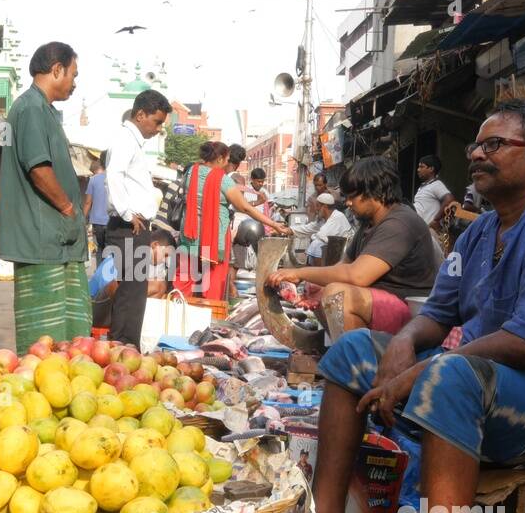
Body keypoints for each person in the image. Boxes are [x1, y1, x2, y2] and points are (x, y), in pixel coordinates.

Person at [261, 100, 525, 513]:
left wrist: (421, 370)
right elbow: (438, 314)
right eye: (476, 146)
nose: (476, 155)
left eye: (495, 144)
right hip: (501, 387)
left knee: (450, 375)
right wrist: (405, 343)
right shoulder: (483, 231)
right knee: (352, 351)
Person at [268, 156, 438, 339]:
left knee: (338, 294)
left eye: (352, 197)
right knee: (316, 286)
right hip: (382, 302)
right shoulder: (369, 223)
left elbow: (357, 276)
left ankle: (362, 362)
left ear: (375, 193)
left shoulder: (400, 223)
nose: (348, 203)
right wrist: (314, 283)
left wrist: (299, 273)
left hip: (410, 313)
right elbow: (343, 266)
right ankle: (341, 348)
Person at [0, 42, 90, 355]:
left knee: (67, 335)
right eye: (73, 75)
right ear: (57, 70)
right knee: (44, 340)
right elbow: (38, 168)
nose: (75, 83)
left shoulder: (40, 110)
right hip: (43, 236)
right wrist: (66, 207)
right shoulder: (31, 109)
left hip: (56, 238)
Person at [174, 141, 291, 301]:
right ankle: (210, 319)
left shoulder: (191, 173)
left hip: (190, 237)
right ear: (221, 158)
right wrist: (274, 224)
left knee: (184, 281)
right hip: (214, 241)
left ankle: (174, 315)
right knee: (213, 285)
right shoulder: (222, 180)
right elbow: (245, 208)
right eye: (227, 159)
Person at [104, 89, 172, 347]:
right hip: (129, 225)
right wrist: (127, 213)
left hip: (135, 224)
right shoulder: (125, 139)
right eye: (157, 122)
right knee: (131, 292)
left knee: (134, 290)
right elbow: (114, 175)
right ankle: (121, 345)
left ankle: (125, 344)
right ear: (140, 114)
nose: (158, 129)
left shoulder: (133, 142)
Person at [91, 229, 177, 329]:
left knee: (158, 286)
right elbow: (111, 288)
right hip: (97, 309)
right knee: (158, 285)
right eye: (165, 255)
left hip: (114, 306)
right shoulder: (129, 256)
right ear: (155, 245)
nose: (164, 260)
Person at [305, 193, 354, 266]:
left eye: (318, 206)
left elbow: (322, 236)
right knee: (315, 244)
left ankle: (319, 273)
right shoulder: (323, 219)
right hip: (335, 250)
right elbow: (310, 227)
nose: (316, 209)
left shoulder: (337, 216)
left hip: (346, 252)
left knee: (317, 244)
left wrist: (313, 237)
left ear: (324, 206)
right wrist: (289, 230)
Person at [413, 154, 456, 229]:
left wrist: (436, 220)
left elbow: (449, 199)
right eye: (418, 167)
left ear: (431, 169)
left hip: (430, 235)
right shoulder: (424, 186)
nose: (418, 169)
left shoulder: (436, 184)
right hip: (421, 232)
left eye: (422, 167)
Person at [84, 151, 110, 257]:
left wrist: (82, 220)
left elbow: (87, 202)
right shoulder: (115, 179)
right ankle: (110, 272)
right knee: (111, 250)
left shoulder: (93, 180)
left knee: (100, 248)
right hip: (111, 221)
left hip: (97, 221)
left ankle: (100, 272)